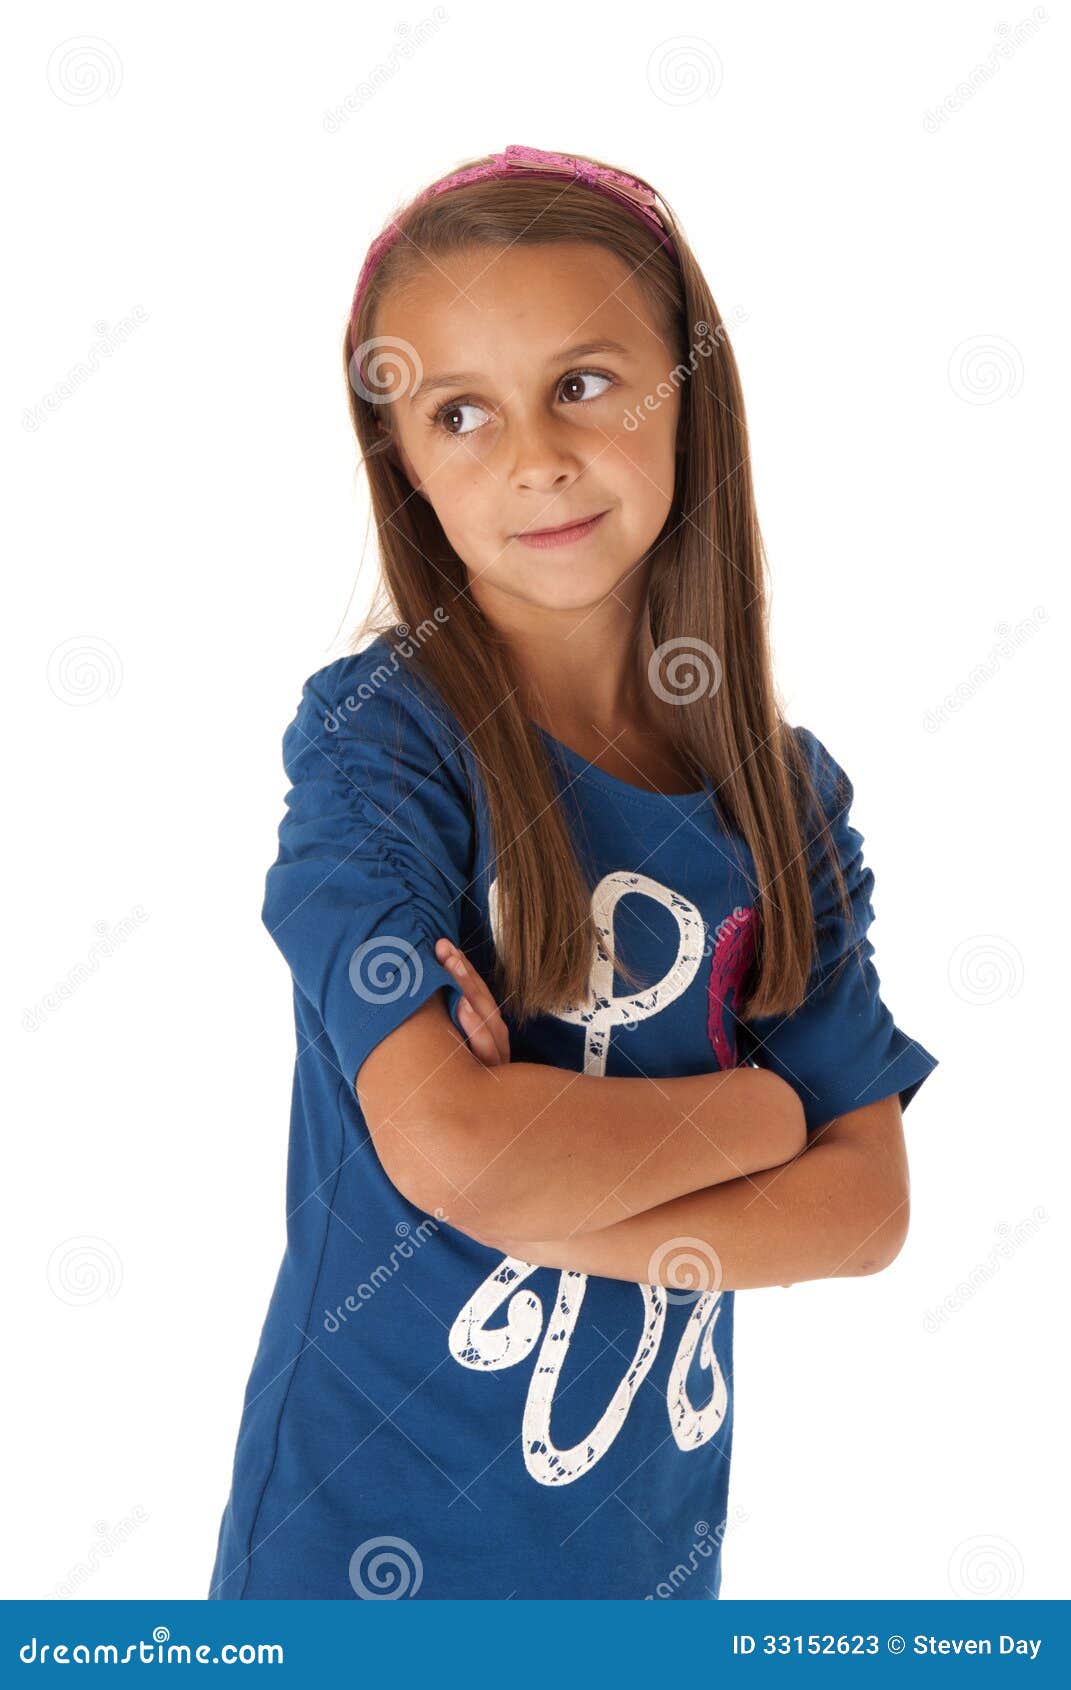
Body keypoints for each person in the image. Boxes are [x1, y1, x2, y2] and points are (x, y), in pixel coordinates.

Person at [208, 143, 939, 1601]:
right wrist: (764, 1106)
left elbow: (867, 1208)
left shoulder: (780, 795)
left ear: (690, 391)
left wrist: (549, 1188)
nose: (533, 454)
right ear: (403, 463)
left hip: (638, 1578)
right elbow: (454, 1150)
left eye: (585, 384)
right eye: (460, 413)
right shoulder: (385, 743)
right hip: (352, 1569)